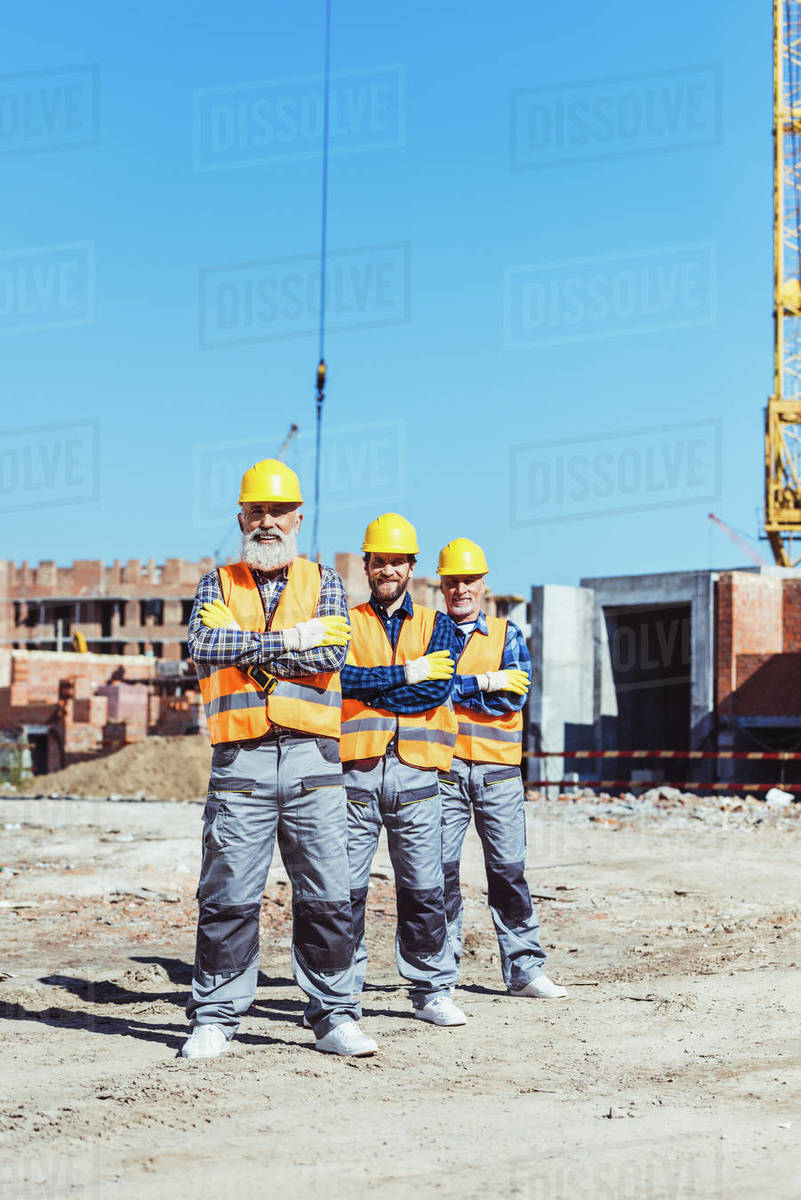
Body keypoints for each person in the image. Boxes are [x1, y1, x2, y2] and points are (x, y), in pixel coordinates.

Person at [181, 458, 377, 1059]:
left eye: (277, 512)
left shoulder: (327, 582)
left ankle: (335, 1015)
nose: (266, 522)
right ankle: (215, 1015)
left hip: (312, 757)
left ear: (298, 517)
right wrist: (291, 639)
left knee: (327, 890)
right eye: (256, 512)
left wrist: (254, 649)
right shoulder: (217, 582)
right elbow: (203, 646)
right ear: (242, 516)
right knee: (229, 891)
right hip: (240, 758)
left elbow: (332, 652)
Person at [339, 513, 467, 1027]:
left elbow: (435, 690)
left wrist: (378, 686)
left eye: (396, 561)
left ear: (412, 566)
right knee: (343, 891)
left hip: (417, 773)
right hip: (356, 771)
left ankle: (431, 990)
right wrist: (403, 677)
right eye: (379, 561)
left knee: (423, 888)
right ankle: (340, 995)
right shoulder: (346, 621)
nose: (387, 569)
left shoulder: (438, 624)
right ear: (367, 564)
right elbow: (341, 681)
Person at [437, 537, 566, 1000]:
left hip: (499, 772)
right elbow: (430, 692)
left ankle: (525, 970)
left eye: (468, 580)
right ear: (442, 586)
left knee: (509, 872)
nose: (461, 589)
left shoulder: (507, 633)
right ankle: (440, 977)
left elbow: (513, 695)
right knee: (441, 874)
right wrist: (483, 682)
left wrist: (459, 686)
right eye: (452, 582)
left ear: (483, 584)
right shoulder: (431, 633)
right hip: (444, 771)